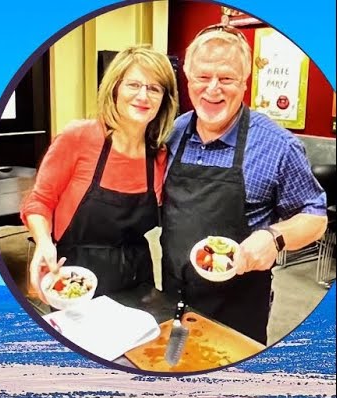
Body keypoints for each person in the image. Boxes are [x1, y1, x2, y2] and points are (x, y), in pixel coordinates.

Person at [162, 25, 328, 344]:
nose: (212, 89)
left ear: (244, 82)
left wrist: (274, 237)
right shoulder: (174, 133)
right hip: (173, 298)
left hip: (238, 310)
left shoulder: (278, 145)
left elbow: (316, 215)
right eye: (202, 77)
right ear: (188, 78)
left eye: (226, 79)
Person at [23, 45, 178, 298]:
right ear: (115, 88)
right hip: (75, 280)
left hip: (137, 282)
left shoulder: (159, 156)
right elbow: (40, 200)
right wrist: (43, 243)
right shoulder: (78, 137)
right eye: (134, 85)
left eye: (154, 88)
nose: (143, 96)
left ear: (164, 100)